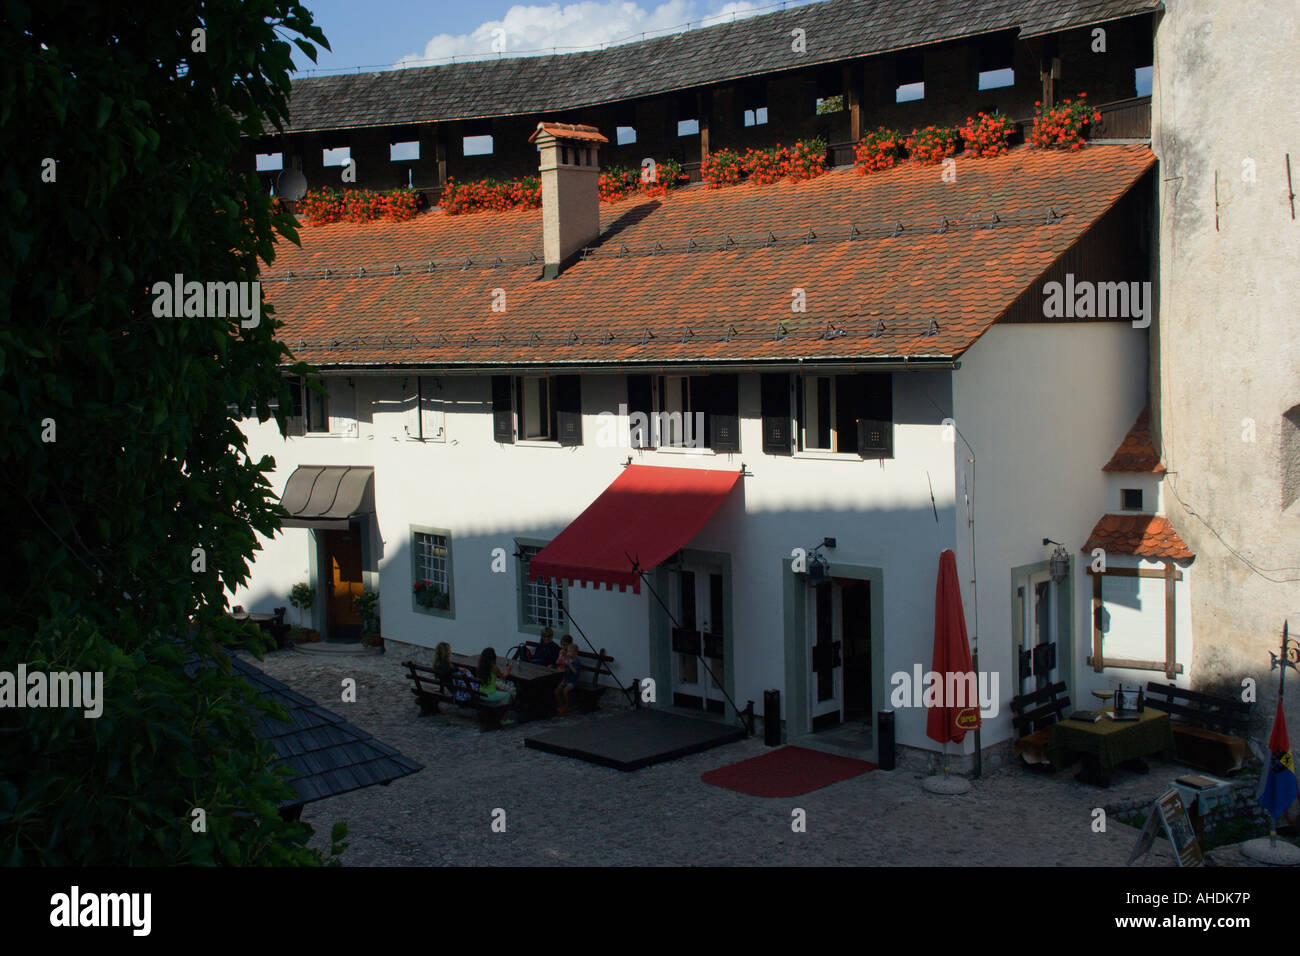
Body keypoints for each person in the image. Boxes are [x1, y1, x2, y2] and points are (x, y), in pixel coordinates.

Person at [477, 647, 516, 725]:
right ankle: (504, 718)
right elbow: (503, 676)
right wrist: (508, 670)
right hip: (489, 694)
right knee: (509, 695)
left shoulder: (479, 667)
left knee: (502, 691)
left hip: (480, 693)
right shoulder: (494, 668)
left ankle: (495, 714)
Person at [554, 637, 581, 714]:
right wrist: (561, 657)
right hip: (566, 678)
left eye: (570, 652)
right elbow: (558, 663)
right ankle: (560, 705)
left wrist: (569, 665)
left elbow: (576, 673)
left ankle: (567, 706)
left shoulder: (577, 661)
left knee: (565, 691)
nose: (568, 653)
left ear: (575, 653)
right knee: (556, 691)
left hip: (573, 680)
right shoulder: (567, 658)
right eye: (568, 651)